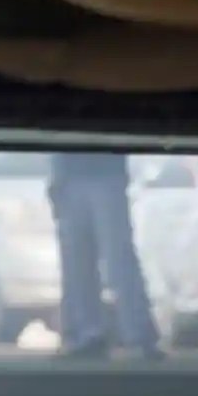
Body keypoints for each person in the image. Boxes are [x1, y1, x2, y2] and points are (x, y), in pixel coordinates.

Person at [48, 153, 161, 359]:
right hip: (74, 174)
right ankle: (86, 333)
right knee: (77, 260)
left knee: (117, 257)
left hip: (104, 170)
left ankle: (138, 335)